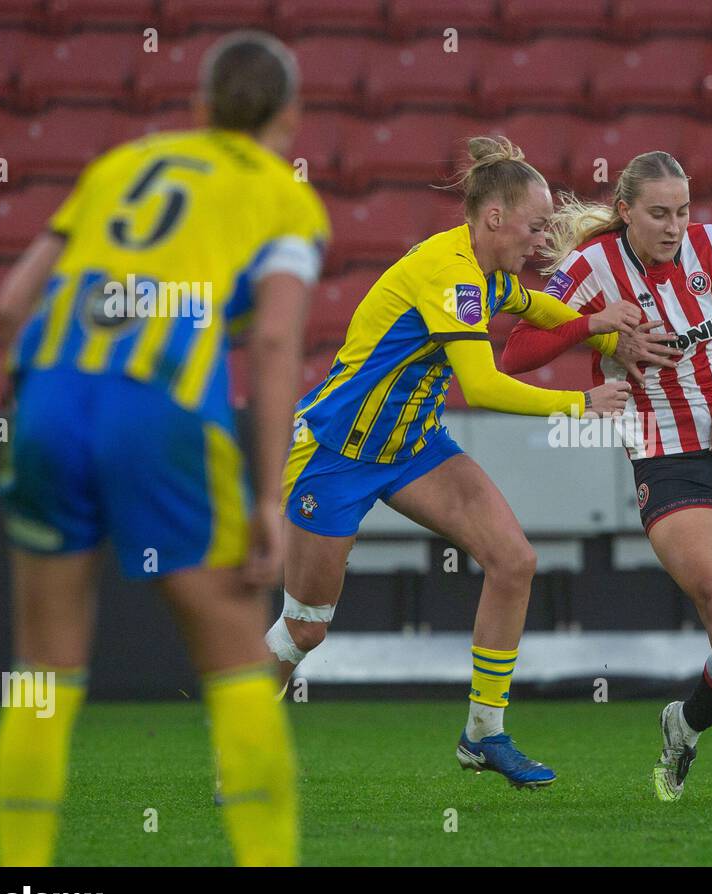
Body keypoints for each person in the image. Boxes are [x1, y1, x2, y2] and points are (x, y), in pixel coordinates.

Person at [0, 31, 326, 865]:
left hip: (53, 393)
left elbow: (9, 304)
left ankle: (23, 893)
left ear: (199, 109)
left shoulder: (121, 165)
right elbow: (278, 340)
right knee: (238, 666)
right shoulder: (285, 200)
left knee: (42, 673)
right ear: (291, 115)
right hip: (164, 410)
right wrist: (270, 499)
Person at [265, 136, 635, 788]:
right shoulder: (453, 275)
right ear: (494, 218)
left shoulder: (489, 272)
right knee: (305, 628)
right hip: (336, 454)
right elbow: (485, 387)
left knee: (514, 561)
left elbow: (534, 307)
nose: (544, 236)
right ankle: (238, 736)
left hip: (412, 447)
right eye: (536, 223)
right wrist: (584, 402)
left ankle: (483, 735)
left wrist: (601, 326)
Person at [499, 151, 712, 801]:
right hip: (666, 455)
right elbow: (517, 352)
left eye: (683, 211)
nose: (675, 227)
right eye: (659, 214)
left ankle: (682, 723)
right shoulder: (591, 270)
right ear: (625, 213)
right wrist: (598, 329)